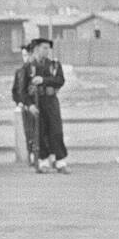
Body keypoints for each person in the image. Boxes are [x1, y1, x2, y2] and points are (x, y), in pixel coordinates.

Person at [28, 38, 69, 173]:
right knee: (41, 131)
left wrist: (44, 80)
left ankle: (60, 161)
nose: (46, 50)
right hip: (38, 101)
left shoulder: (54, 65)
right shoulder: (31, 66)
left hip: (51, 101)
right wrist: (29, 104)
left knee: (56, 130)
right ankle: (43, 161)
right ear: (37, 49)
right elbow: (24, 87)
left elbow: (60, 80)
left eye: (48, 48)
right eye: (43, 48)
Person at [11, 45, 35, 163]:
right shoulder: (20, 72)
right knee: (29, 131)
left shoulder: (37, 70)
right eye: (24, 55)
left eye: (28, 55)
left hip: (37, 106)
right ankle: (31, 154)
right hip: (26, 107)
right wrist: (19, 102)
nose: (26, 58)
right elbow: (15, 90)